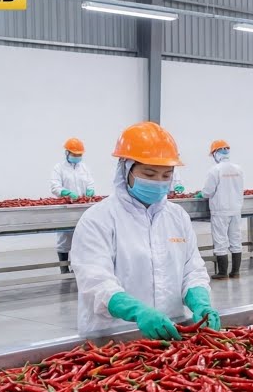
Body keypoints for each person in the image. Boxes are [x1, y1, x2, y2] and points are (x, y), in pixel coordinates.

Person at [70, 122, 220, 340]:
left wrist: (200, 302)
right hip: (115, 336)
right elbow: (95, 281)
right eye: (149, 174)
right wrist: (137, 312)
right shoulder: (98, 219)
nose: (158, 182)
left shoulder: (177, 217)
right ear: (126, 169)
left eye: (166, 175)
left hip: (172, 333)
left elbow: (192, 270)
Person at [197, 140, 245, 280]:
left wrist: (202, 194)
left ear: (215, 153)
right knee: (236, 239)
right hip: (236, 209)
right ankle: (235, 272)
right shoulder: (238, 168)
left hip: (220, 210)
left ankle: (222, 273)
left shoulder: (215, 170)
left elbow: (207, 191)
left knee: (220, 241)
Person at [49, 137, 95, 274]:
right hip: (66, 207)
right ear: (67, 153)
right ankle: (64, 268)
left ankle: (78, 267)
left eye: (79, 155)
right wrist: (65, 192)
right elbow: (54, 186)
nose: (77, 157)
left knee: (81, 238)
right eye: (74, 154)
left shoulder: (84, 167)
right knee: (64, 238)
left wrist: (90, 190)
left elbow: (90, 182)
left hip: (81, 207)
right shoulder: (59, 168)